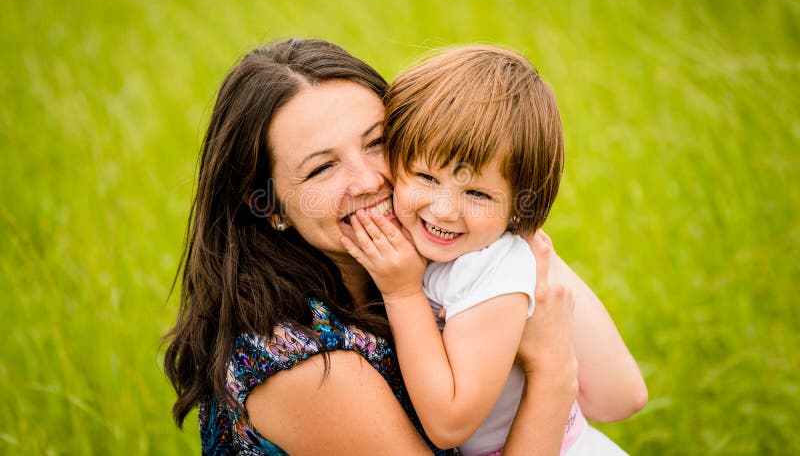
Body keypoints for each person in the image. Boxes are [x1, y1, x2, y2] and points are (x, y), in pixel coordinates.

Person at [163, 39, 641, 454]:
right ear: (270, 206)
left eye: (378, 142)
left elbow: (622, 395)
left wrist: (514, 236)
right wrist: (553, 369)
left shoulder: (439, 250)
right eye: (321, 169)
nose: (370, 179)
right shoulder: (301, 359)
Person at [342, 46, 646, 455]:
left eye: (478, 193)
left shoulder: (493, 268)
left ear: (520, 207)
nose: (445, 209)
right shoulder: (434, 244)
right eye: (427, 176)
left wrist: (404, 294)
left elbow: (450, 422)